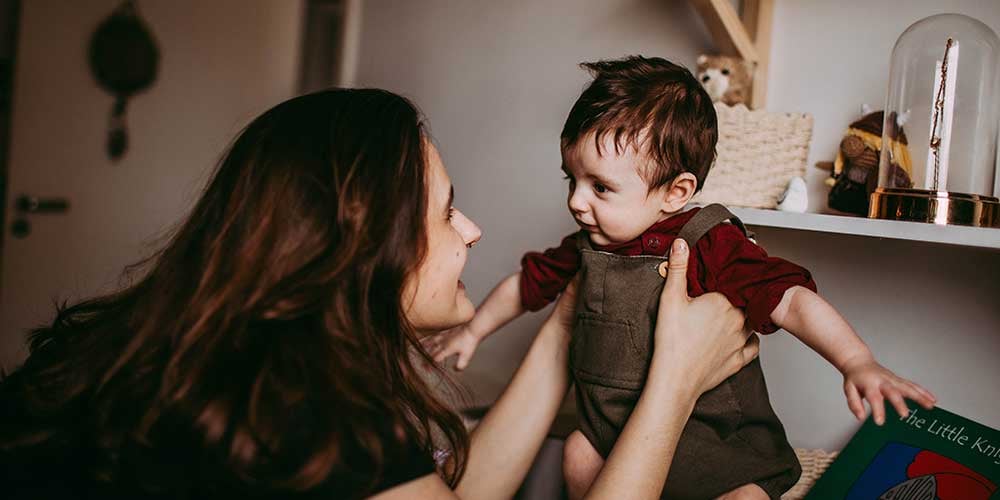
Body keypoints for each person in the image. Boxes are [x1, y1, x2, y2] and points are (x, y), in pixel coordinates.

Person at [0, 88, 759, 499]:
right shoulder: (294, 414)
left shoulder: (241, 363)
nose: (472, 229)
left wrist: (567, 322)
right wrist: (674, 383)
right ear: (362, 247)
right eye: (443, 211)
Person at [422, 56, 937, 499]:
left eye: (600, 188)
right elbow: (524, 285)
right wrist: (473, 331)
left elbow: (792, 300)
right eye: (571, 179)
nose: (576, 202)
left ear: (675, 191)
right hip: (619, 434)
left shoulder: (710, 241)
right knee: (577, 453)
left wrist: (856, 361)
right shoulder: (588, 246)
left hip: (718, 442)